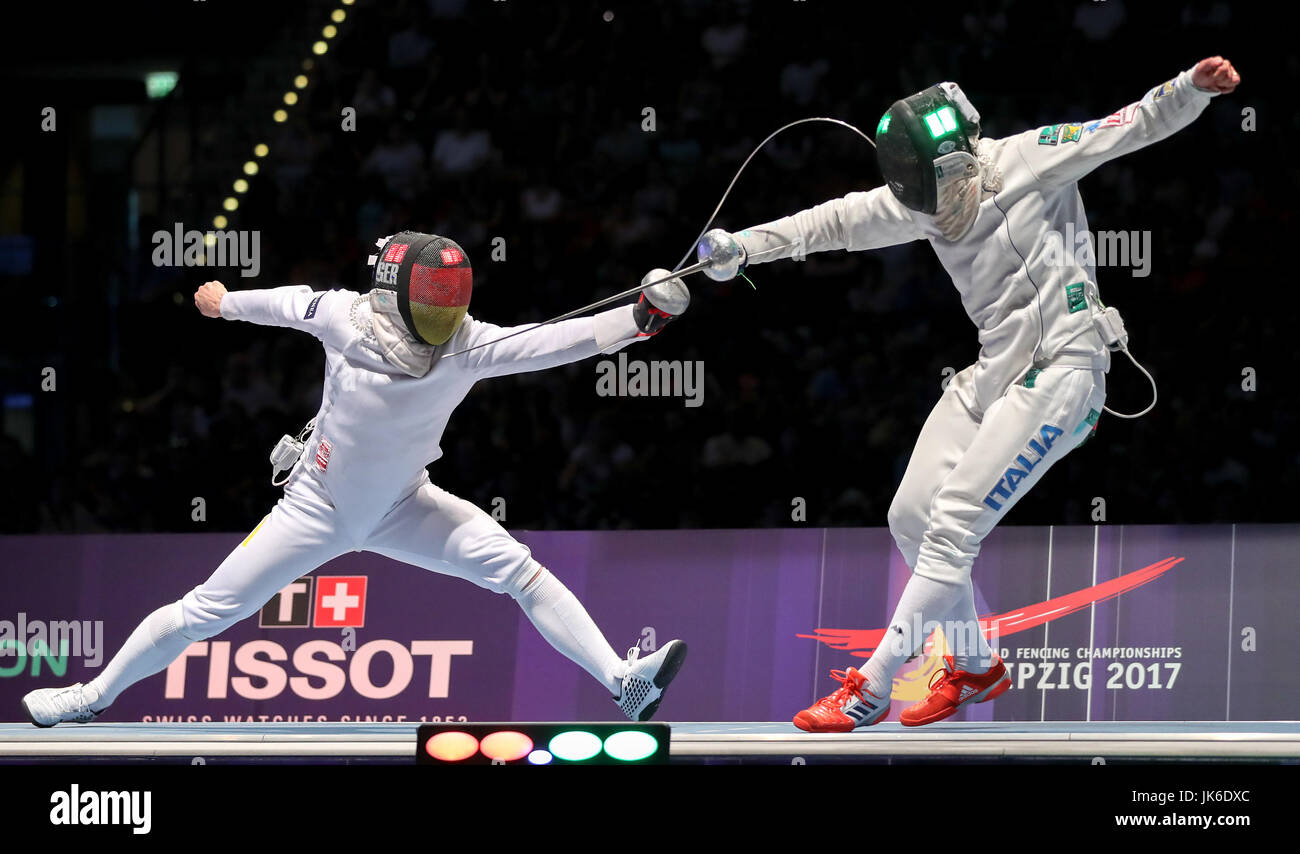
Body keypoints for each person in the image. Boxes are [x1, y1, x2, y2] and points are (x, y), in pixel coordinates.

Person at [697, 56, 1240, 730]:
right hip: (994, 372)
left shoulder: (1031, 159)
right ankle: (976, 666)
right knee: (911, 515)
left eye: (941, 183)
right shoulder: (917, 203)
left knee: (953, 521)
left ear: (968, 153)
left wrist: (1190, 87)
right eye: (921, 191)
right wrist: (740, 247)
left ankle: (871, 687)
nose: (934, 202)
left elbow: (1128, 126)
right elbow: (826, 225)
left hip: (1066, 372)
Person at [23, 231, 690, 726]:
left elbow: (553, 341)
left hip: (407, 505)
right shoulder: (345, 317)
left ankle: (623, 682)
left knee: (519, 570)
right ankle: (91, 696)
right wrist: (227, 302)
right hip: (315, 507)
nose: (444, 313)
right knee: (206, 610)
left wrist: (639, 318)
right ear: (395, 291)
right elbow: (288, 304)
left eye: (451, 299)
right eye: (433, 298)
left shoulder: (468, 345)